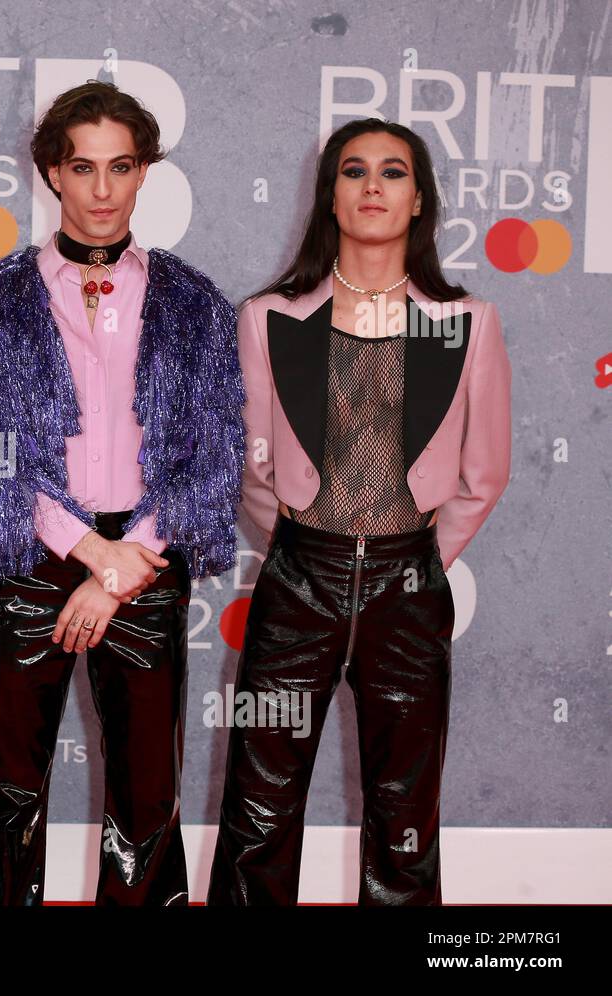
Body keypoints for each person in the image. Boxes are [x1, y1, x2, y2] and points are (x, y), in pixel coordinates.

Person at [0, 81, 246, 906]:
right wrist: (87, 551)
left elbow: (210, 448)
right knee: (8, 791)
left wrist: (126, 557)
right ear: (52, 175)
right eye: (83, 168)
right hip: (31, 558)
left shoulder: (193, 304)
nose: (102, 189)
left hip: (148, 559)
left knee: (148, 795)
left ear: (144, 173)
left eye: (121, 167)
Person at [207, 118, 512, 905]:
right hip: (296, 584)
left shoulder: (468, 323)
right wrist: (306, 540)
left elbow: (485, 473)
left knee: (404, 810)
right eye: (353, 170)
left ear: (419, 201)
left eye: (393, 172)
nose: (373, 185)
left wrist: (414, 563)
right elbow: (253, 463)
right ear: (329, 195)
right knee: (258, 806)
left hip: (409, 591)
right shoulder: (266, 318)